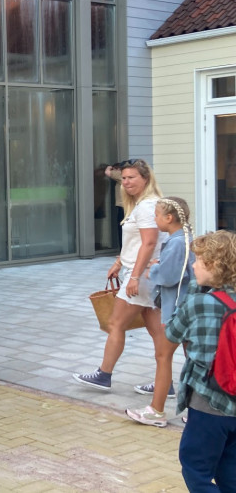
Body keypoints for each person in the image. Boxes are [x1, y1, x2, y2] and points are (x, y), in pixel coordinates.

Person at [74, 159, 169, 394]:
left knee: (116, 323)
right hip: (148, 274)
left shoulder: (147, 206)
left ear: (145, 179)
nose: (126, 182)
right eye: (123, 178)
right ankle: (166, 385)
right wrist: (119, 261)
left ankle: (103, 375)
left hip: (142, 276)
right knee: (157, 331)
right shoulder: (146, 204)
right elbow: (138, 242)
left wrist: (134, 277)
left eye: (131, 177)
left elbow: (149, 243)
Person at [163, 230, 236, 490]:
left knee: (196, 469)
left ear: (214, 266)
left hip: (209, 402)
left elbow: (172, 332)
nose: (193, 265)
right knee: (230, 471)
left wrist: (195, 289)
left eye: (198, 260)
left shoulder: (199, 303)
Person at [126, 197, 195, 427]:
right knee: (192, 359)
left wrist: (154, 269)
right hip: (186, 307)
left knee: (163, 356)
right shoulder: (183, 238)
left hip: (176, 309)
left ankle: (156, 411)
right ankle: (197, 413)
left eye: (156, 216)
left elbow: (169, 277)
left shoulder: (176, 242)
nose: (154, 220)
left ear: (169, 218)